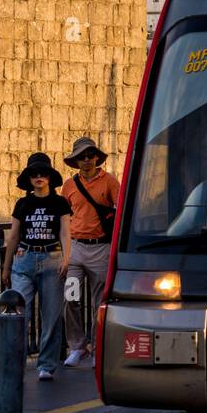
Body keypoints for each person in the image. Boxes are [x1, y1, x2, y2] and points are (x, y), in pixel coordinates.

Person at [2, 153, 72, 380]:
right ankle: (15, 362)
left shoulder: (60, 203)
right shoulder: (22, 204)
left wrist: (66, 258)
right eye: (34, 174)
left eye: (43, 173)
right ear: (29, 179)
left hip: (51, 258)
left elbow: (65, 232)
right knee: (20, 313)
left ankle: (46, 365)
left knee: (51, 316)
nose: (39, 177)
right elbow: (13, 236)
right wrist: (6, 266)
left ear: (50, 177)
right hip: (24, 259)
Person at [60, 136, 120, 368]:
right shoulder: (69, 185)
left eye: (90, 155)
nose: (86, 160)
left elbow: (120, 210)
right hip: (76, 249)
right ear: (76, 161)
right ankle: (77, 346)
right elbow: (63, 218)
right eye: (81, 157)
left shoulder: (109, 182)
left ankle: (97, 348)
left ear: (97, 157)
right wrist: (63, 248)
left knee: (99, 303)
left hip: (100, 249)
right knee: (71, 297)